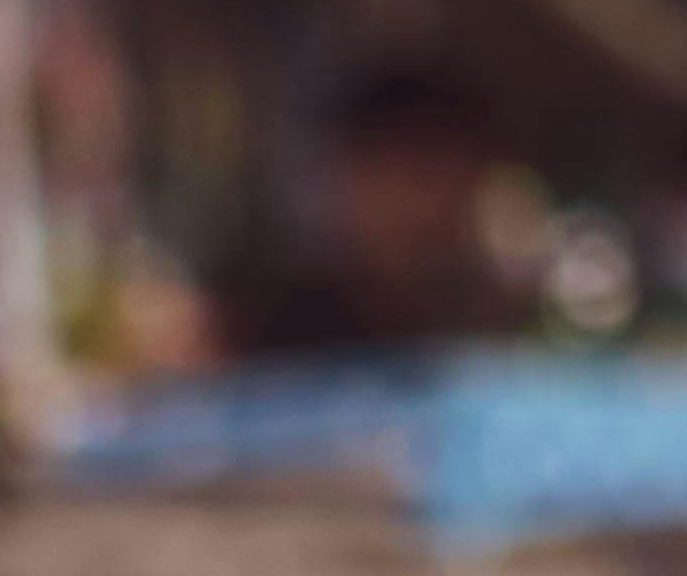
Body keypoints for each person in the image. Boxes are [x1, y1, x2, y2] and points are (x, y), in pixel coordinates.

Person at [219, 62, 537, 358]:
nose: (416, 206)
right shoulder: (269, 334)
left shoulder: (511, 335)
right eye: (394, 174)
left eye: (432, 174)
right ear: (347, 177)